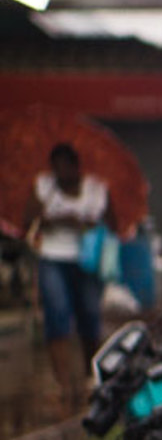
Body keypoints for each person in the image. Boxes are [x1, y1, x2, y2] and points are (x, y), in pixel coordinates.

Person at [22, 142, 116, 411]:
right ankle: (62, 383)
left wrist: (85, 223)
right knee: (57, 314)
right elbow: (27, 221)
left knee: (89, 315)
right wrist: (49, 218)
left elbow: (112, 225)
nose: (61, 171)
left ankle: (90, 376)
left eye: (66, 165)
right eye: (56, 166)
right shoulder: (43, 186)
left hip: (87, 262)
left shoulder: (97, 187)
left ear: (77, 165)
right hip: (52, 257)